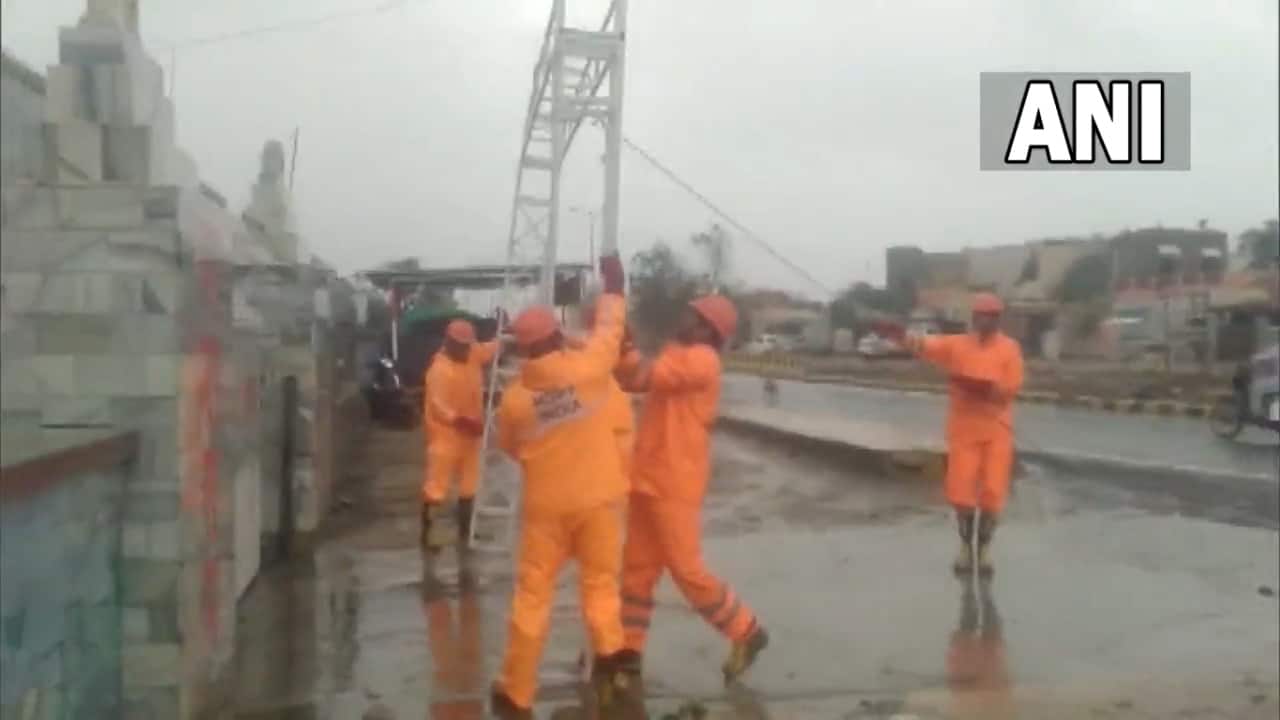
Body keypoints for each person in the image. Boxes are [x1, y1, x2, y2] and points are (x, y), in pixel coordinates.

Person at [489, 255, 632, 719]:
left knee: (532, 598)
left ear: (523, 349)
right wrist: (614, 288)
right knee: (601, 589)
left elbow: (511, 448)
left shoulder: (514, 401)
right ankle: (611, 671)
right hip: (600, 500)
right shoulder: (589, 370)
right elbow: (609, 336)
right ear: (555, 336)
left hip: (546, 509)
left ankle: (517, 692)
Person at [615, 294, 770, 685]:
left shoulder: (702, 360)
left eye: (693, 316)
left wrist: (626, 345)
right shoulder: (680, 354)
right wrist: (621, 347)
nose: (684, 319)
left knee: (686, 569)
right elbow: (632, 379)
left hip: (673, 481)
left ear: (707, 329)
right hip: (650, 477)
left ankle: (747, 631)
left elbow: (651, 376)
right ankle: (628, 651)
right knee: (636, 572)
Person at [880, 293, 1024, 575]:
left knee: (993, 492)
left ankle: (983, 551)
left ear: (999, 319)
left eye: (993, 316)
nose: (987, 320)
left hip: (997, 430)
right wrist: (896, 333)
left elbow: (1011, 387)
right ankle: (963, 548)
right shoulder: (956, 345)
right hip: (963, 431)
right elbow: (923, 345)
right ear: (974, 317)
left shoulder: (1010, 349)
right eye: (983, 315)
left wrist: (985, 389)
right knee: (962, 492)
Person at [421, 319, 498, 551]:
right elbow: (438, 406)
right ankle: (429, 534)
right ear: (450, 342)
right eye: (462, 345)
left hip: (470, 436)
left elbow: (488, 350)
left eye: (468, 345)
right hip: (445, 435)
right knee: (437, 486)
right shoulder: (439, 370)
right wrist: (462, 421)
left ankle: (466, 532)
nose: (466, 349)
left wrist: (505, 337)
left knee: (469, 485)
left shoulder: (472, 354)